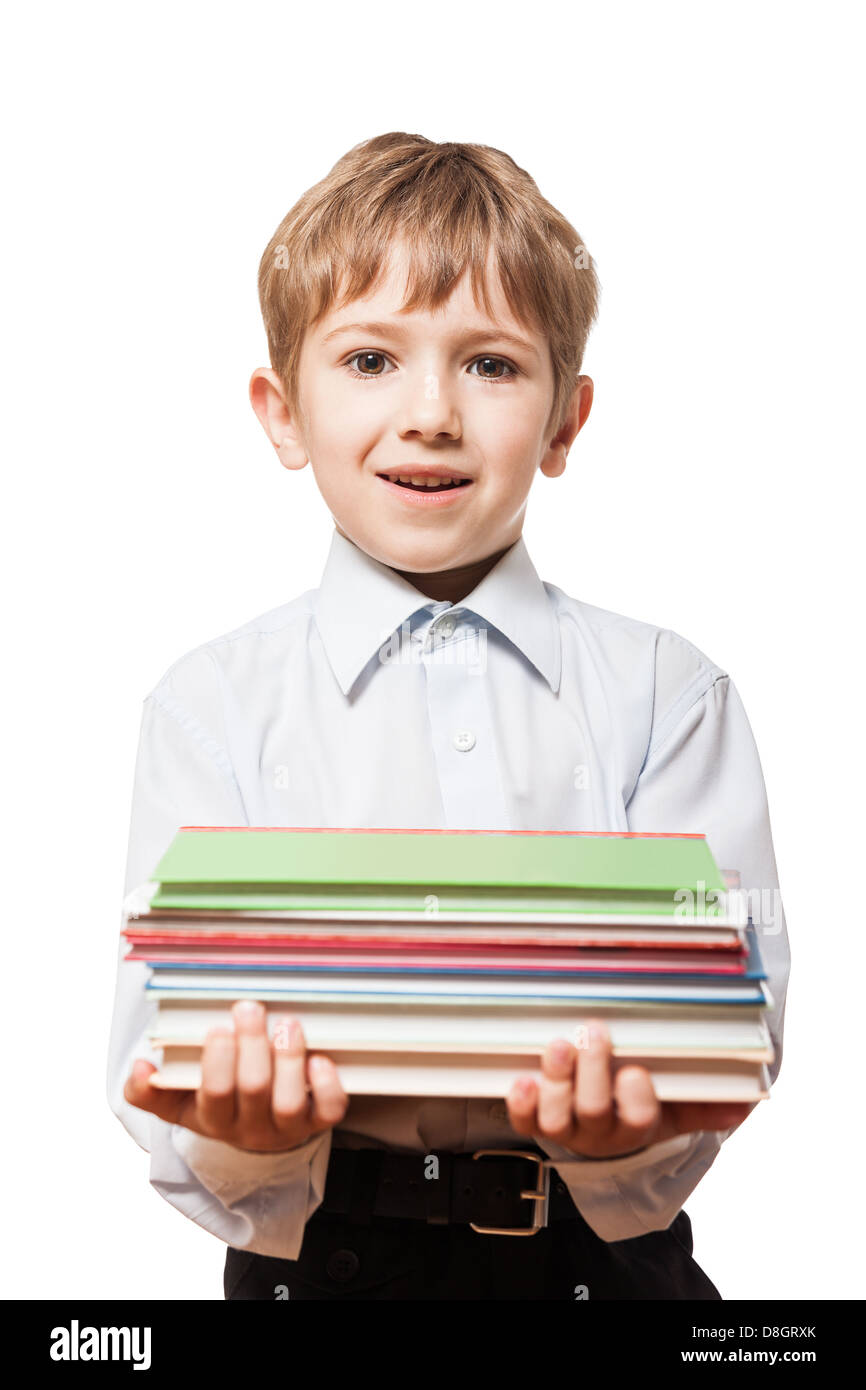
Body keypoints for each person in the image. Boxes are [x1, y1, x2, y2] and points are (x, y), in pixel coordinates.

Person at [107, 132, 790, 1300]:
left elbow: (736, 1023)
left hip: (604, 1275)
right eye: (370, 359)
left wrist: (624, 1140)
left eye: (489, 364)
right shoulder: (209, 707)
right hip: (323, 1267)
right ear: (280, 412)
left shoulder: (668, 696)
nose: (429, 412)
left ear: (565, 422)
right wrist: (243, 1134)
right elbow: (152, 1056)